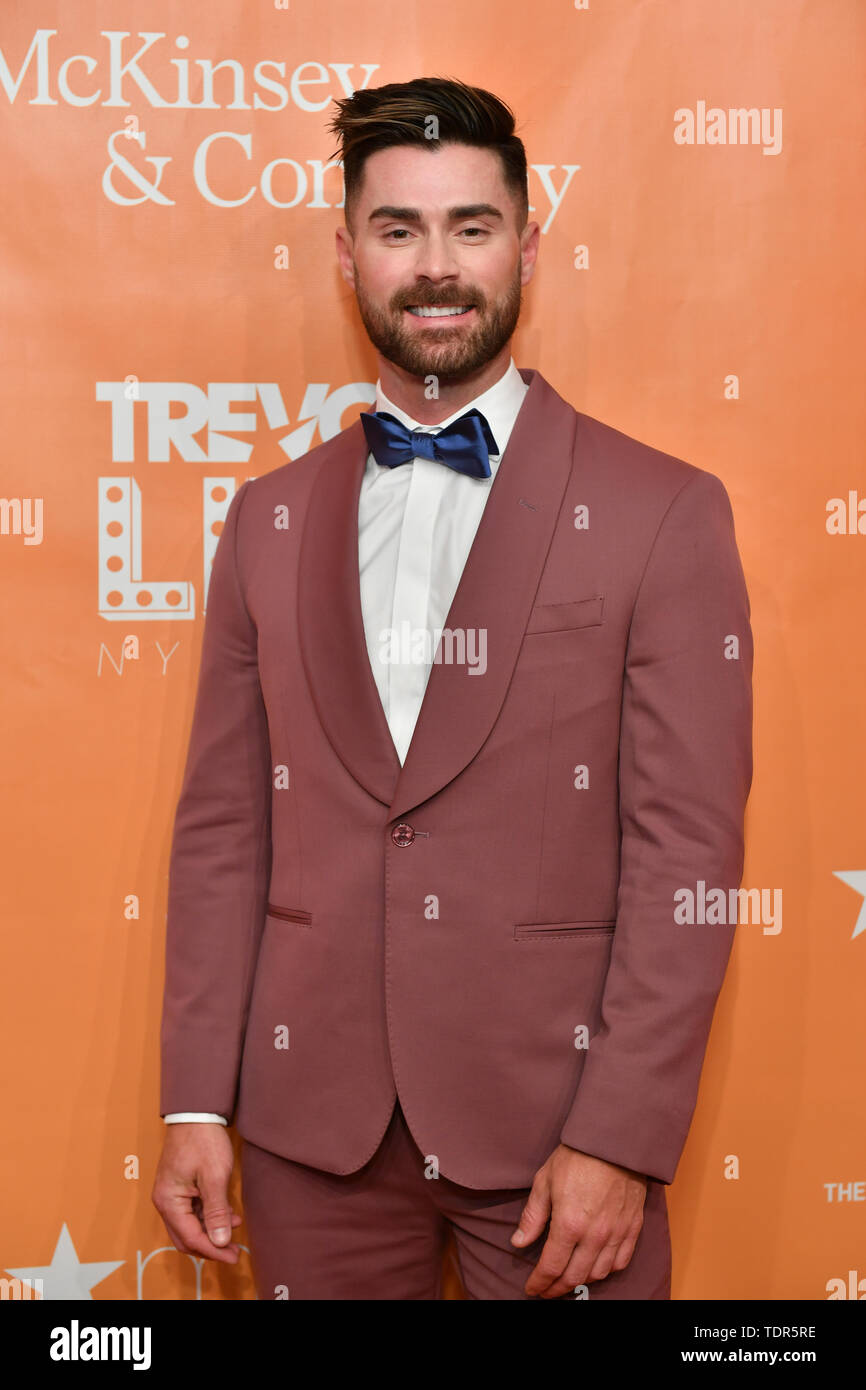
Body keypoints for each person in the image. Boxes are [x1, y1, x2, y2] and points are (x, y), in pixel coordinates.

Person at [151, 76, 753, 1300]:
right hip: (309, 1135)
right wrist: (198, 1099)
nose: (436, 266)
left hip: (555, 1136)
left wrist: (620, 1135)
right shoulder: (266, 519)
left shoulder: (660, 511)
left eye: (470, 227)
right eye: (398, 229)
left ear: (525, 246)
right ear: (346, 255)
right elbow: (225, 829)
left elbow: (685, 852)